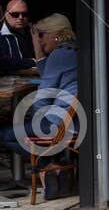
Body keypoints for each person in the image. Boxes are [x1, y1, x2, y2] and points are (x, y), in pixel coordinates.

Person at [0, 14, 79, 164]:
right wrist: (38, 48)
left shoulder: (60, 55)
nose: (40, 39)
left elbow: (42, 97)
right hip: (75, 121)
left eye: (41, 35)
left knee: (4, 133)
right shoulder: (74, 50)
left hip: (58, 124)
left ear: (54, 35)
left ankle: (48, 165)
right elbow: (47, 73)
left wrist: (36, 120)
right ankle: (53, 164)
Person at [0, 0, 35, 74]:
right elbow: (3, 62)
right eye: (15, 14)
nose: (21, 18)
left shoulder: (33, 31)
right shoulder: (1, 34)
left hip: (31, 80)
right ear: (6, 14)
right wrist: (32, 62)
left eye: (24, 14)